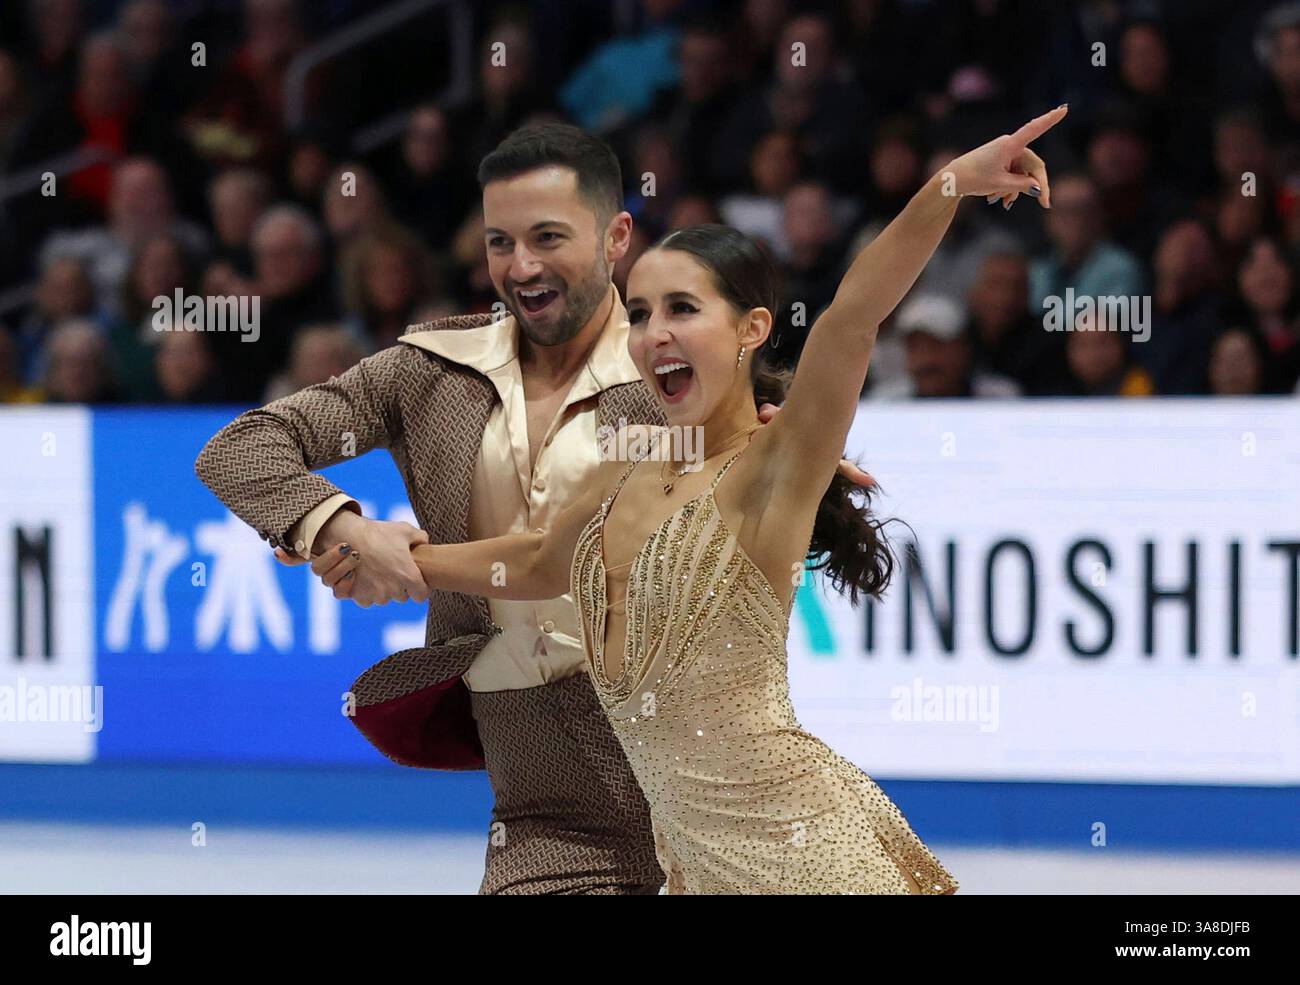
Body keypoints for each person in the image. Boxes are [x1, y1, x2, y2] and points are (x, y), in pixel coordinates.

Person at [312, 107, 1069, 893]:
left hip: (803, 861)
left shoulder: (774, 465)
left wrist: (949, 184)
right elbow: (538, 559)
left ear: (751, 330)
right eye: (639, 312)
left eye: (683, 309)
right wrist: (397, 553)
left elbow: (852, 317)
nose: (651, 334)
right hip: (696, 871)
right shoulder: (636, 463)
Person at [196, 122, 871, 896]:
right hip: (539, 791)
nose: (521, 266)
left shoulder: (684, 372)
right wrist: (339, 527)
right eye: (499, 242)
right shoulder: (433, 369)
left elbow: (794, 418)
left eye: (548, 237)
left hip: (698, 777)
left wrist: (790, 449)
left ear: (617, 235)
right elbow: (241, 447)